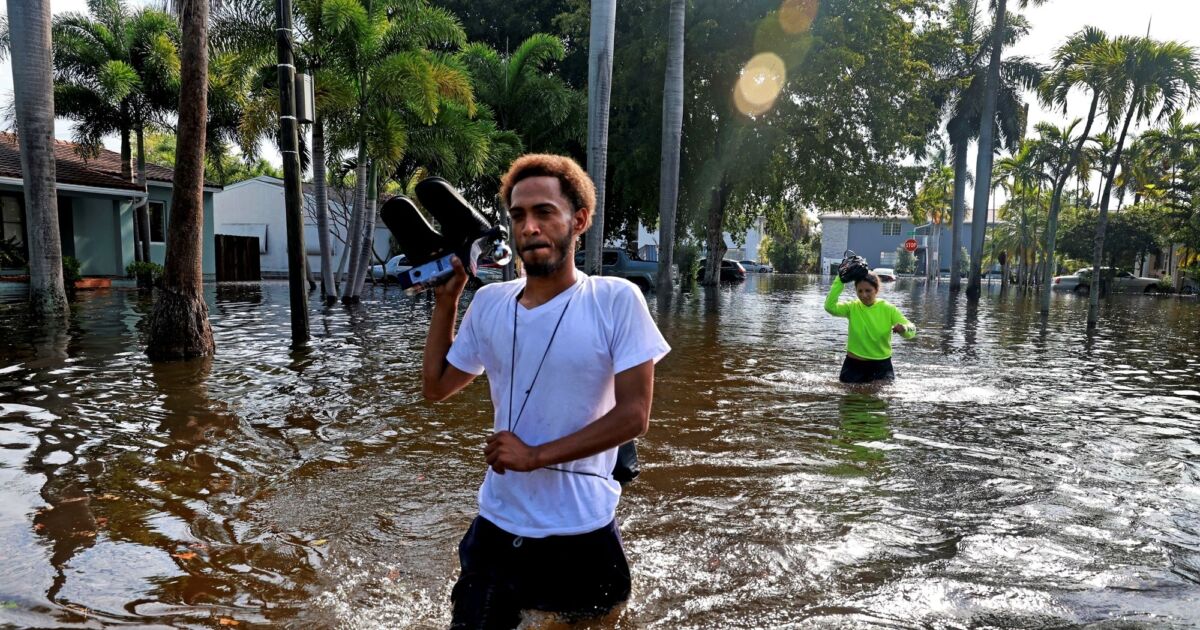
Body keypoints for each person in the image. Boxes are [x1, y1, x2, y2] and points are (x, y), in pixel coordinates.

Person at [421, 154, 671, 627]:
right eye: (518, 215)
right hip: (497, 526)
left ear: (579, 221)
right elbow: (436, 388)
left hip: (582, 532)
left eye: (544, 212)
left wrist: (535, 455)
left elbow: (634, 415)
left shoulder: (615, 300)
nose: (529, 226)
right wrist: (447, 301)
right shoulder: (489, 302)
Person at [824, 271, 916, 383]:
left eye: (868, 290)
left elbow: (912, 330)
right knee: (848, 393)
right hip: (854, 365)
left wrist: (904, 329)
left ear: (876, 290)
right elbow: (830, 307)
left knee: (883, 392)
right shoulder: (852, 307)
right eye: (860, 291)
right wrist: (840, 279)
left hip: (881, 365)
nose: (863, 295)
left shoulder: (888, 308)